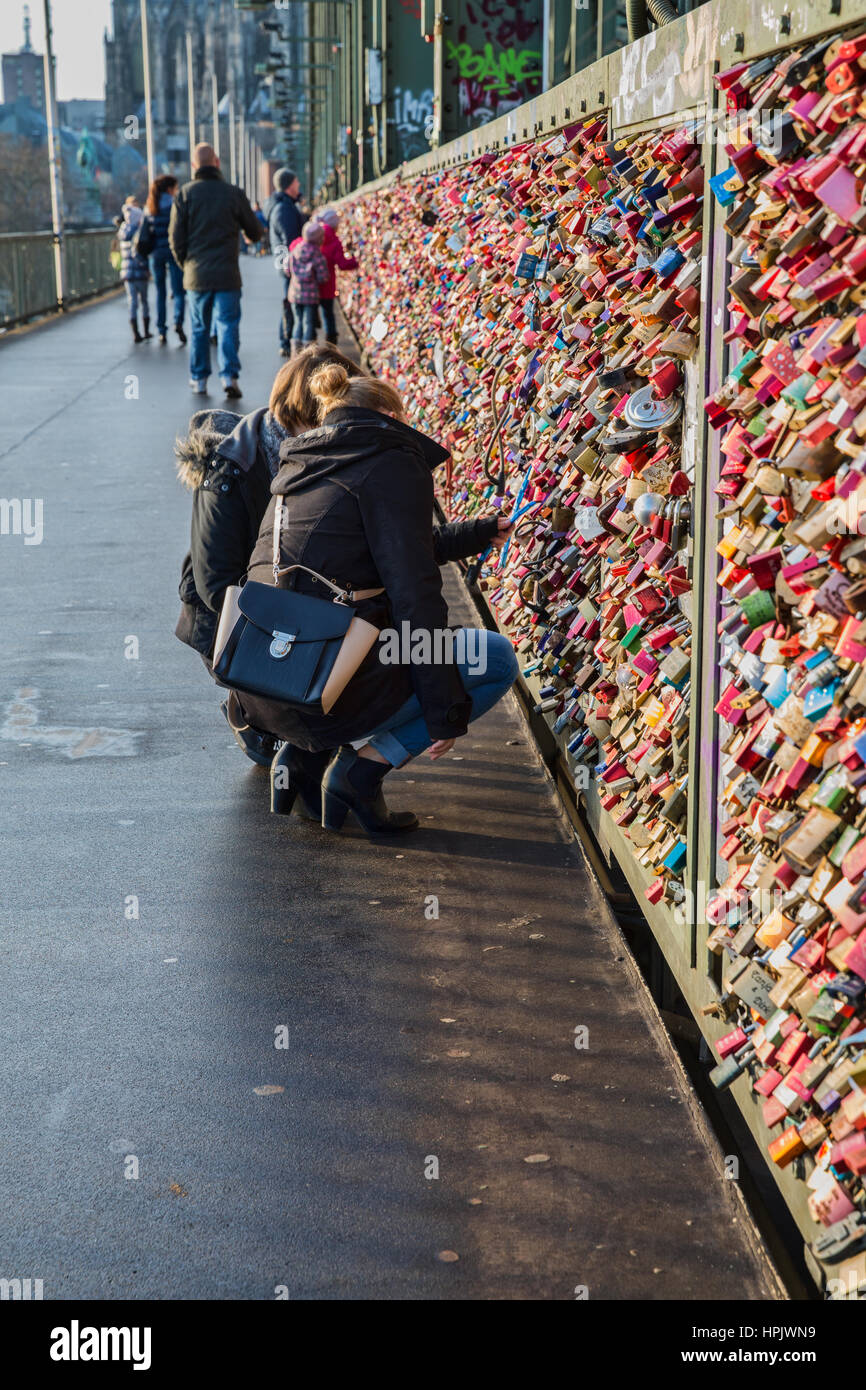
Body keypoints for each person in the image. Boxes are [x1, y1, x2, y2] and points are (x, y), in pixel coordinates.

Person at [175, 347, 509, 794]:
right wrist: (442, 709)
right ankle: (346, 764)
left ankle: (301, 748)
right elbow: (215, 583)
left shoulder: (306, 459)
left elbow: (390, 549)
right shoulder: (239, 469)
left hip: (287, 641)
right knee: (494, 659)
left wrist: (471, 535)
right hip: (245, 641)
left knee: (350, 647)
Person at [169, 141, 263, 400]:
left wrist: (187, 266)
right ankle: (229, 376)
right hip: (227, 275)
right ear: (217, 162)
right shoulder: (233, 193)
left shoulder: (184, 195)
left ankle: (199, 379)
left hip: (196, 276)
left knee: (199, 328)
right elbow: (255, 232)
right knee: (227, 325)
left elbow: (175, 240)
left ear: (193, 165)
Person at [265, 167, 307, 357]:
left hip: (286, 263)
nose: (299, 184)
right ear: (290, 184)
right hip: (290, 265)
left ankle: (286, 339)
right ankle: (286, 340)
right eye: (296, 181)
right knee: (289, 303)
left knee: (289, 302)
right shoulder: (284, 209)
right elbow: (291, 239)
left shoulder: (284, 205)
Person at [140, 174, 186, 346]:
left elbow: (145, 234)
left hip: (156, 255)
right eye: (176, 188)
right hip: (174, 253)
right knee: (179, 292)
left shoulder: (150, 207)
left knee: (160, 293)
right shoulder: (176, 206)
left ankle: (161, 330)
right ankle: (178, 322)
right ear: (170, 189)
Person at [313, 208, 359, 345]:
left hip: (312, 285)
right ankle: (330, 344)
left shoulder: (315, 234)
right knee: (328, 314)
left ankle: (311, 343)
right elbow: (343, 264)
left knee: (311, 315)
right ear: (334, 224)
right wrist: (356, 261)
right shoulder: (333, 240)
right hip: (327, 285)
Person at [286, 221, 329, 352]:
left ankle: (295, 353)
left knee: (298, 322)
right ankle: (307, 354)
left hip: (294, 294)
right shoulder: (317, 254)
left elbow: (287, 269)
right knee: (308, 323)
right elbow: (323, 277)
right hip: (310, 296)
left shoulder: (296, 250)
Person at [116, 196, 151, 344]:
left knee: (132, 302)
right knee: (144, 301)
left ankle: (135, 331)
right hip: (140, 271)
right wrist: (146, 267)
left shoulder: (123, 230)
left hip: (127, 272)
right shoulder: (139, 230)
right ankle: (146, 330)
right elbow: (139, 253)